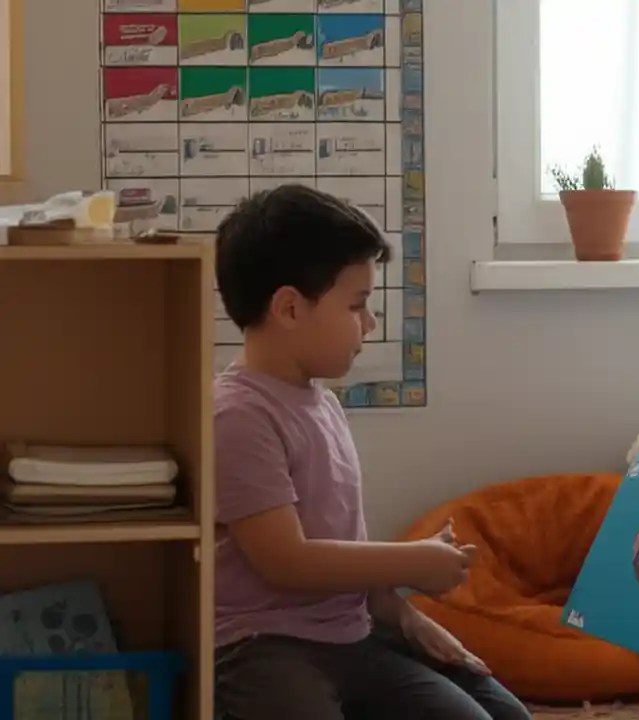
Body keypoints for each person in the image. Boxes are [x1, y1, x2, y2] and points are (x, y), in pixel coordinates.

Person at [212, 184, 530, 720]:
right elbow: (286, 561)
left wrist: (402, 613)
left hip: (349, 634)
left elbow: (342, 547)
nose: (370, 324)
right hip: (263, 644)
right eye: (357, 305)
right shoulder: (238, 415)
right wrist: (414, 561)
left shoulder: (322, 404)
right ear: (289, 308)